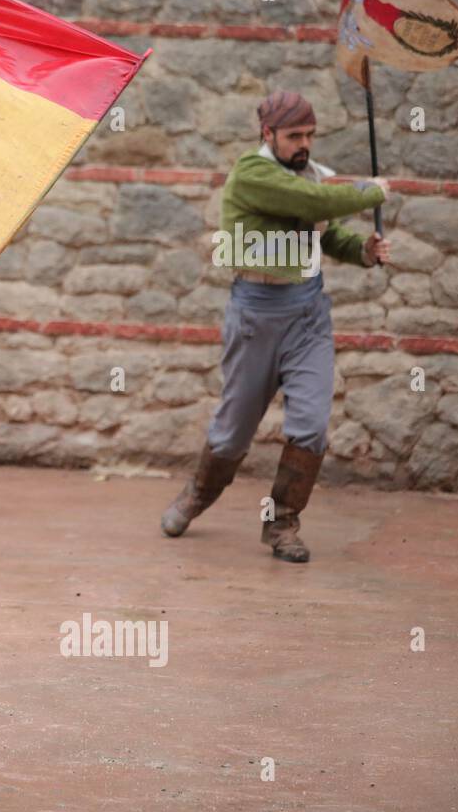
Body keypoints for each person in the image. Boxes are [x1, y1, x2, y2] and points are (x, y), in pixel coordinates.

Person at [161, 91, 392, 562]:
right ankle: (196, 496)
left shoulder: (314, 177)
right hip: (255, 315)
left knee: (310, 426)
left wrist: (363, 252)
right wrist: (372, 190)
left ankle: (282, 524)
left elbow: (326, 232)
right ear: (267, 135)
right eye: (293, 136)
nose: (303, 143)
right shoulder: (253, 173)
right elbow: (307, 201)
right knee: (233, 431)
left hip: (308, 314)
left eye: (309, 135)